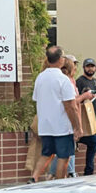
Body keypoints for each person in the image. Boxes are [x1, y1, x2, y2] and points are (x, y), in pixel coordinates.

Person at [30, 46, 81, 183]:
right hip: (61, 126)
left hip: (45, 125)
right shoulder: (63, 80)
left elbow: (36, 99)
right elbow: (71, 106)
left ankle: (33, 177)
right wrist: (77, 126)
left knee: (47, 153)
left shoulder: (40, 78)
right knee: (63, 156)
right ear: (60, 60)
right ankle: (59, 183)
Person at [75, 58, 96, 175]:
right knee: (91, 142)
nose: (90, 68)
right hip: (82, 119)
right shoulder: (79, 81)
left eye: (92, 66)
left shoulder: (95, 82)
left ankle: (88, 171)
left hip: (93, 119)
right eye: (88, 66)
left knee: (93, 144)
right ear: (84, 68)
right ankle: (77, 171)